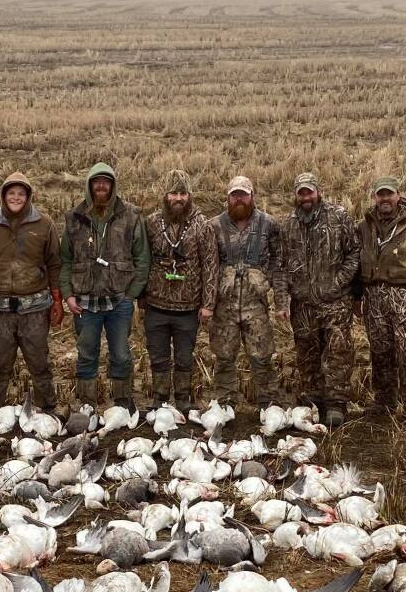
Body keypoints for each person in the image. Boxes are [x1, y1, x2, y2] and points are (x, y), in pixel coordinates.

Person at [0, 172, 63, 412]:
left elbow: (54, 264)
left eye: (21, 193)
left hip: (35, 308)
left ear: (28, 196)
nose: (16, 197)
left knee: (38, 359)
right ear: (3, 196)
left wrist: (57, 300)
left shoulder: (44, 224)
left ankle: (48, 407)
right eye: (11, 193)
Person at [59, 161, 149, 413]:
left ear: (113, 185)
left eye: (106, 181)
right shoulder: (74, 218)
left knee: (121, 353)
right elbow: (65, 260)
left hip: (118, 301)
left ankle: (121, 402)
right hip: (85, 302)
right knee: (86, 353)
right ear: (89, 185)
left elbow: (142, 259)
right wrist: (68, 295)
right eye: (96, 181)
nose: (101, 185)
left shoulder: (131, 215)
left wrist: (131, 294)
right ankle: (86, 403)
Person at [274, 172, 360, 429]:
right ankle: (313, 400)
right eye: (301, 193)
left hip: (334, 302)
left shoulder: (339, 217)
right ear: (296, 195)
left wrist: (338, 282)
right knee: (307, 353)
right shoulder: (288, 224)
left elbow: (354, 252)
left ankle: (336, 403)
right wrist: (281, 300)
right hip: (302, 304)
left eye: (309, 192)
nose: (306, 197)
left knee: (337, 352)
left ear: (318, 192)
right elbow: (279, 266)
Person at [356, 177, 406, 417]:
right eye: (380, 195)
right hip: (374, 295)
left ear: (398, 195)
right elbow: (357, 262)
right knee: (380, 353)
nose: (385, 199)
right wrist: (357, 296)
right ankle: (384, 403)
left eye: (389, 194)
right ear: (375, 198)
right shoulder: (365, 226)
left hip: (405, 295)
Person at [139, 170, 217, 414]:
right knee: (158, 356)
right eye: (173, 192)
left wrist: (208, 303)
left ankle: (183, 398)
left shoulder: (202, 224)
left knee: (185, 357)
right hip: (156, 305)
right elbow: (143, 260)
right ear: (165, 195)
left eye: (183, 193)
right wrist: (140, 296)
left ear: (189, 195)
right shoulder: (151, 223)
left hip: (188, 306)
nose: (178, 198)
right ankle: (160, 398)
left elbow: (211, 264)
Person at [208, 175, 281, 410]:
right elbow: (207, 267)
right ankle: (225, 405)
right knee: (224, 357)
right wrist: (207, 302)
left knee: (262, 356)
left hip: (256, 304)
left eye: (243, 194)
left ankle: (268, 405)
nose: (239, 199)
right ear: (228, 198)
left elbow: (278, 262)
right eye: (234, 195)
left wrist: (268, 284)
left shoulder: (269, 224)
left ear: (252, 196)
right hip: (224, 305)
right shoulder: (214, 226)